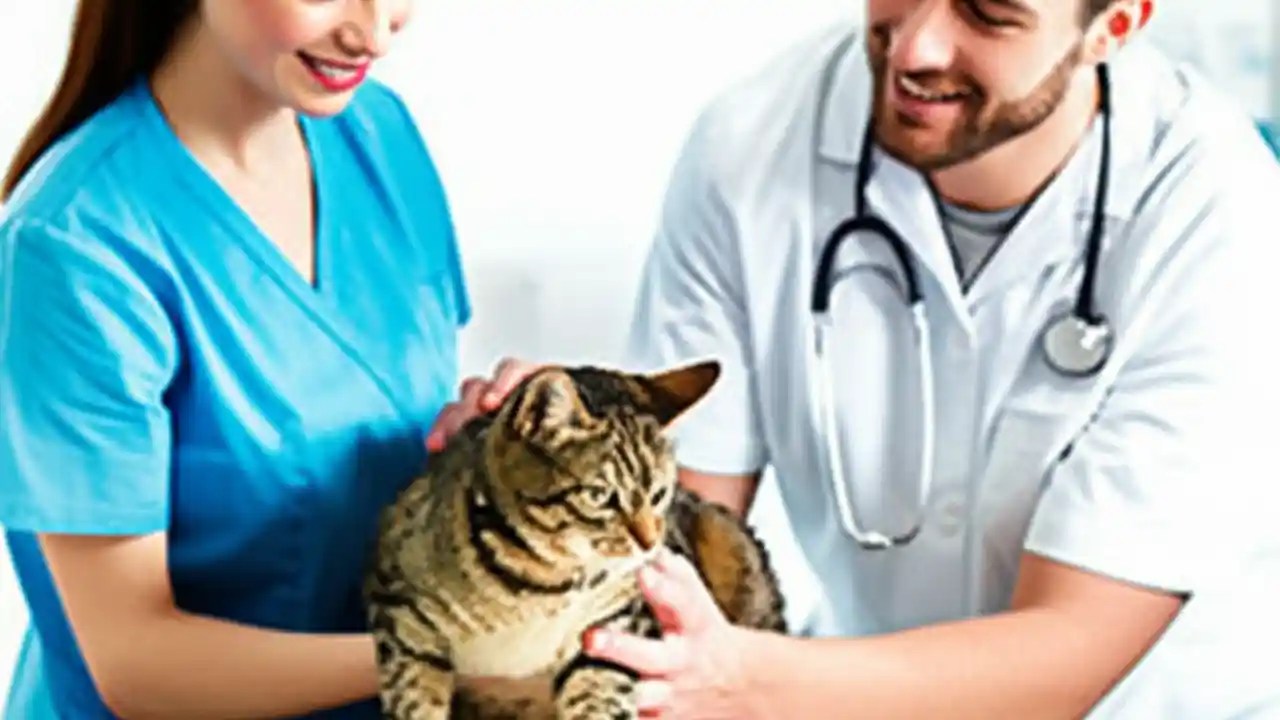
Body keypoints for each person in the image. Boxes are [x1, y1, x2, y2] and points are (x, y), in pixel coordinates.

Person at [426, 0, 1280, 717]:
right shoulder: (752, 145)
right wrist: (534, 476)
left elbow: (1072, 649)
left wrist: (734, 671)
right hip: (845, 686)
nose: (915, 47)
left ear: (1115, 25)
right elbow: (683, 538)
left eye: (989, 14)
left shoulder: (1216, 212)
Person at [0, 1, 470, 717]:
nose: (374, 31)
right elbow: (136, 665)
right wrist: (453, 654)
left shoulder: (379, 134)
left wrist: (493, 436)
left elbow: (388, 423)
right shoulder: (76, 244)